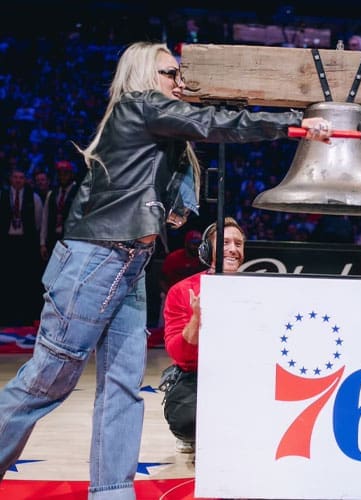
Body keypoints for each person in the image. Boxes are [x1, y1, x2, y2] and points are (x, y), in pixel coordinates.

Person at [0, 41, 332, 499]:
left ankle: (113, 491)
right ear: (142, 75)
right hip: (96, 258)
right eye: (169, 73)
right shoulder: (138, 105)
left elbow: (174, 184)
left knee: (123, 386)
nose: (180, 81)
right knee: (47, 380)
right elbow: (211, 122)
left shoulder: (159, 130)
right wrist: (290, 124)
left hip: (131, 263)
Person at [161, 217, 245, 455]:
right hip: (197, 376)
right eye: (225, 243)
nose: (233, 249)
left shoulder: (256, 288)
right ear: (207, 250)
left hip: (241, 376)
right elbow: (179, 355)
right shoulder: (181, 291)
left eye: (238, 244)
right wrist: (197, 319)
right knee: (187, 421)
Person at [0, 167, 45, 326]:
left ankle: (24, 316)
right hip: (6, 243)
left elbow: (38, 222)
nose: (18, 180)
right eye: (15, 177)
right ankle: (6, 316)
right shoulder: (2, 195)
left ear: (25, 180)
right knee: (6, 280)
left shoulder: (34, 198)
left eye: (21, 177)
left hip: (25, 244)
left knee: (24, 280)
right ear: (10, 179)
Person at [159, 229, 205, 294]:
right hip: (174, 293)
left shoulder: (204, 259)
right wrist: (169, 293)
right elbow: (162, 279)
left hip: (195, 295)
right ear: (186, 243)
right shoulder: (173, 257)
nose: (197, 247)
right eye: (194, 244)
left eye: (199, 244)